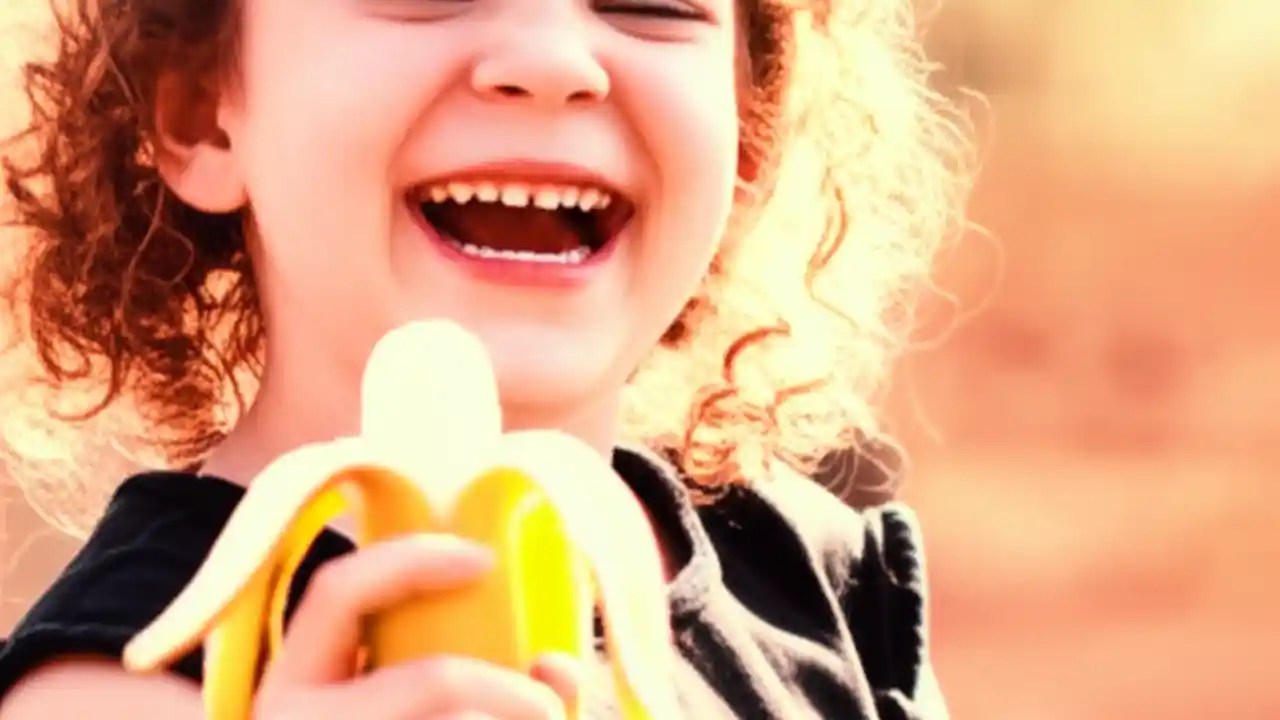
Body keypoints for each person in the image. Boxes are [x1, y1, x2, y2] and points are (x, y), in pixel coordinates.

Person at [0, 0, 969, 716]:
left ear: (746, 128)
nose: (551, 60)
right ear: (200, 116)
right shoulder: (111, 688)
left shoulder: (826, 588)